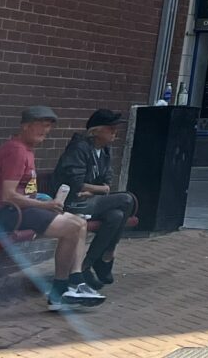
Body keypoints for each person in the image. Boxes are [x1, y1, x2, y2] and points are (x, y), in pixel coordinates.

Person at [0, 105, 104, 310]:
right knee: (72, 227)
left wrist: (43, 201)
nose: (46, 131)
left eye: (48, 127)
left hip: (18, 210)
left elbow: (24, 191)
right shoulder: (16, 151)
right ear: (26, 126)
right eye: (41, 126)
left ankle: (73, 283)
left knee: (79, 222)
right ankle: (61, 290)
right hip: (3, 214)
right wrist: (45, 204)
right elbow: (8, 195)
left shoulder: (26, 150)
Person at [49, 108, 136, 288]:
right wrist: (101, 189)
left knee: (116, 216)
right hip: (72, 203)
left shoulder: (105, 150)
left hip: (88, 200)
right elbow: (76, 183)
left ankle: (86, 265)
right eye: (110, 129)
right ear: (96, 131)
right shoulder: (79, 148)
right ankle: (106, 256)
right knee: (127, 200)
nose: (114, 133)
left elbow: (107, 180)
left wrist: (95, 189)